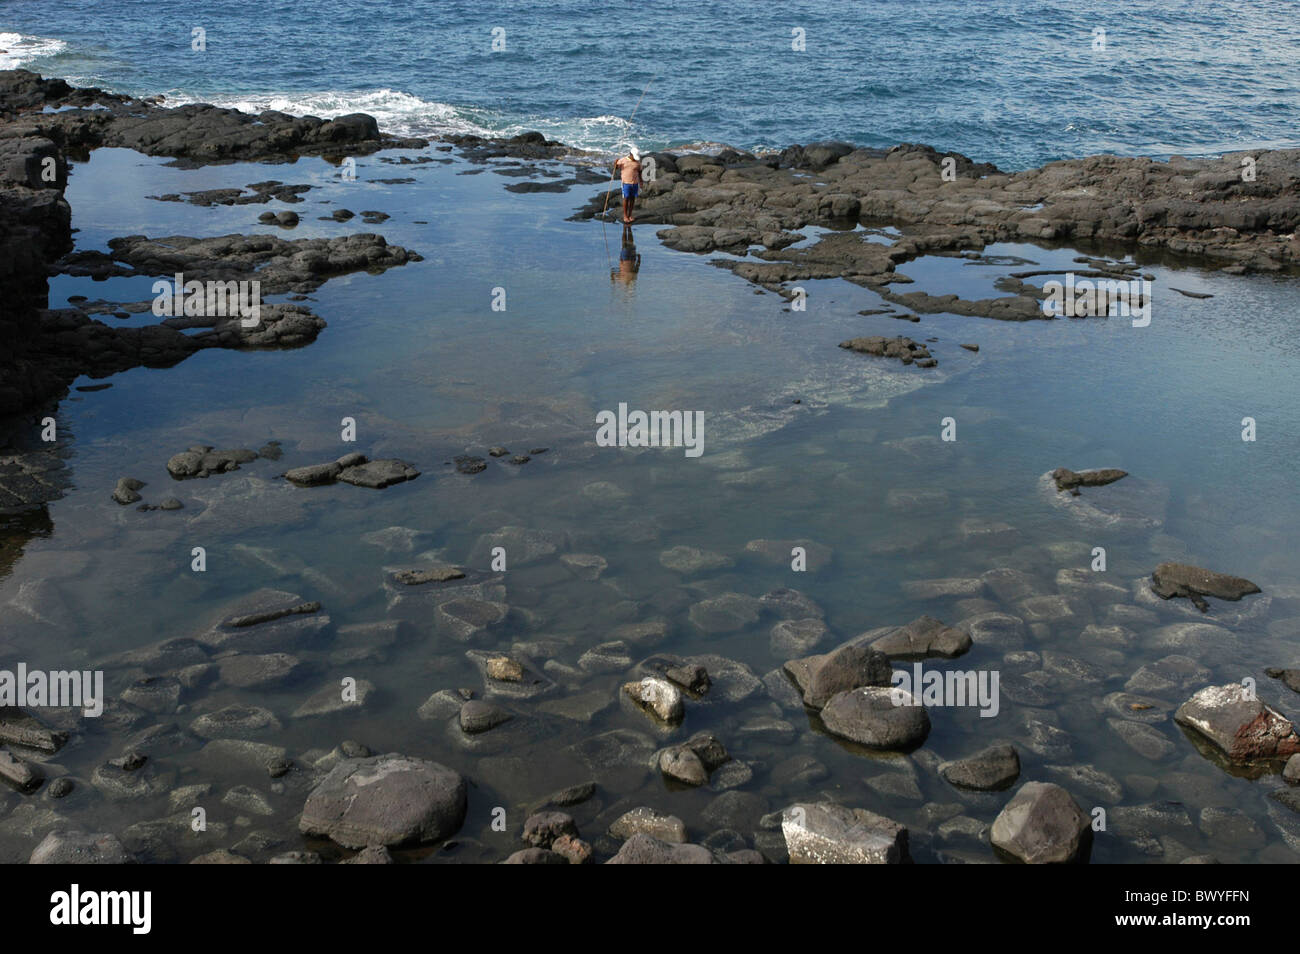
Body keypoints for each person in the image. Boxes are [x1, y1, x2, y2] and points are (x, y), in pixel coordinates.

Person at [614, 146, 644, 224]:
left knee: (632, 199)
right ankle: (625, 216)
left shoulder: (638, 163)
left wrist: (641, 182)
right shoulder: (623, 160)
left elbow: (640, 172)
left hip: (635, 183)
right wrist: (615, 163)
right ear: (630, 154)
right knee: (626, 198)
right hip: (626, 183)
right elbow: (616, 167)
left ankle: (630, 215)